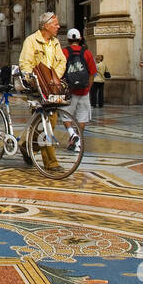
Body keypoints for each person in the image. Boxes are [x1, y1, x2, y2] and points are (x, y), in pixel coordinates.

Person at [18, 10, 67, 171]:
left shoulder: (55, 42)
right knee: (47, 121)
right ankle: (51, 162)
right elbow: (25, 63)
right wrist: (34, 81)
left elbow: (62, 61)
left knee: (46, 122)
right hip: (36, 88)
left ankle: (27, 147)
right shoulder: (31, 40)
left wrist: (53, 79)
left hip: (51, 87)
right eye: (55, 24)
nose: (58, 26)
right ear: (46, 26)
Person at [62, 29, 97, 149]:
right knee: (82, 116)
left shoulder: (64, 52)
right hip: (84, 90)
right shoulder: (87, 53)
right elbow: (92, 72)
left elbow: (59, 71)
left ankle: (71, 134)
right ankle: (77, 142)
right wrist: (88, 86)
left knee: (66, 115)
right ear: (80, 39)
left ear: (68, 40)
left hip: (69, 91)